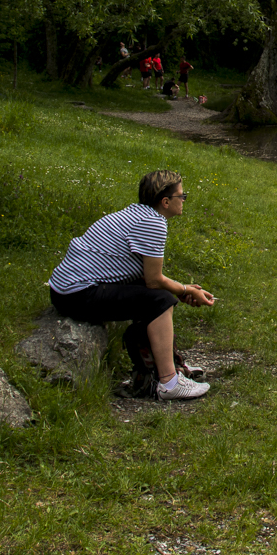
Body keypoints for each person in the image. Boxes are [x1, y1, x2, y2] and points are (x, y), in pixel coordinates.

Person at [47, 170, 214, 399]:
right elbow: (154, 281)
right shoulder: (153, 223)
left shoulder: (136, 214)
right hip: (78, 294)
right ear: (165, 202)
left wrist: (185, 290)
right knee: (161, 302)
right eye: (181, 196)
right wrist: (183, 290)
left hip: (64, 290)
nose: (184, 201)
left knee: (156, 298)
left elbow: (145, 279)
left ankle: (151, 372)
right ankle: (169, 382)